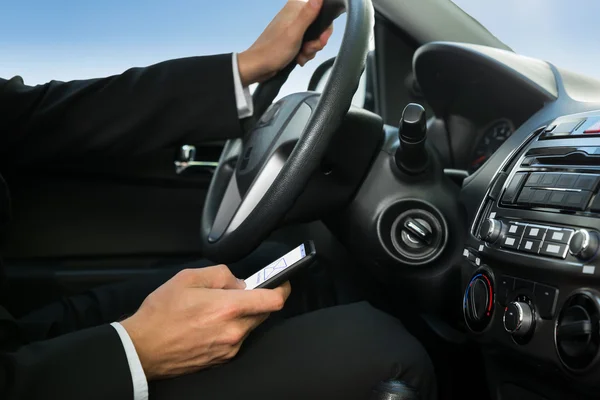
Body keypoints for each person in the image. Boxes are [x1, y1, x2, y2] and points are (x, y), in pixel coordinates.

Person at [0, 1, 437, 399]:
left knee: (290, 272)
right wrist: (135, 350)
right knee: (386, 353)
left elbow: (52, 114)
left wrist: (249, 66)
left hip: (20, 336)